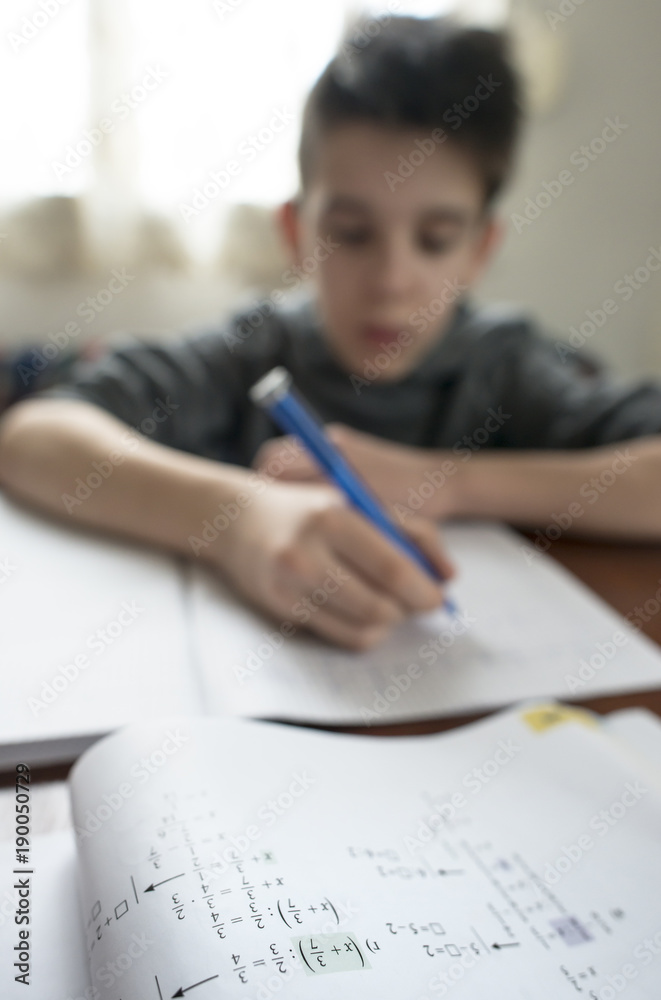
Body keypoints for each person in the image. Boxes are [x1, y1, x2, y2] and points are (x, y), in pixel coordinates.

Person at [1, 16, 661, 651]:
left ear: (479, 249)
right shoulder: (251, 355)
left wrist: (447, 483)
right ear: (294, 233)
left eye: (434, 240)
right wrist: (237, 518)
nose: (390, 280)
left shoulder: (505, 368)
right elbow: (36, 437)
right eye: (350, 234)